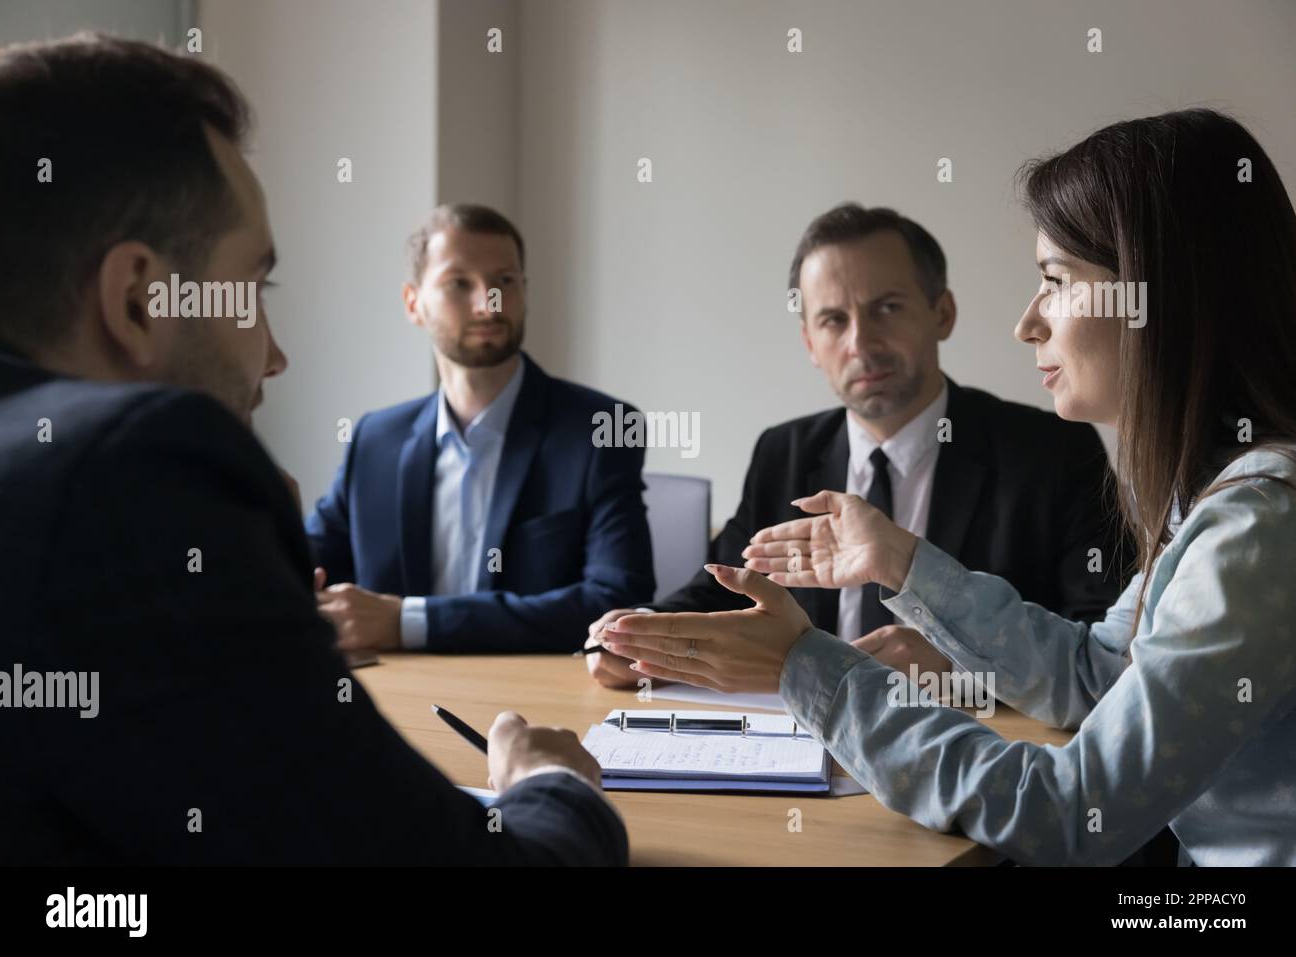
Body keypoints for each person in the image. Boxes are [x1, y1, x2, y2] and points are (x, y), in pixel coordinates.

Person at [597, 109, 1296, 866]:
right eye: (832, 320)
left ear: (1162, 296)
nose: (1027, 323)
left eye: (1055, 281)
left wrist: (807, 668)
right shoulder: (1214, 496)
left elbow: (1070, 812)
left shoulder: (1256, 523)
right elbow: (1094, 672)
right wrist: (902, 563)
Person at [0, 33, 625, 865]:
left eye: (505, 280)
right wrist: (557, 784)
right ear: (142, 300)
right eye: (255, 286)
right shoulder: (139, 470)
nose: (277, 356)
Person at [587, 203, 1128, 689]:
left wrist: (963, 663)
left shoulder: (1053, 450)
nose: (861, 343)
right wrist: (635, 634)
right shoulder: (784, 451)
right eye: (832, 320)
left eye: (886, 308)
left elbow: (1104, 641)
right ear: (810, 343)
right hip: (808, 743)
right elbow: (723, 591)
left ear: (942, 314)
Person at [306, 204, 655, 654]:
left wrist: (408, 622)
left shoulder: (602, 430)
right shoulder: (375, 440)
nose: (488, 302)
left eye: (504, 281)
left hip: (534, 691)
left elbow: (618, 602)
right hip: (392, 689)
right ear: (413, 303)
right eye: (459, 283)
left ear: (525, 291)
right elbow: (302, 568)